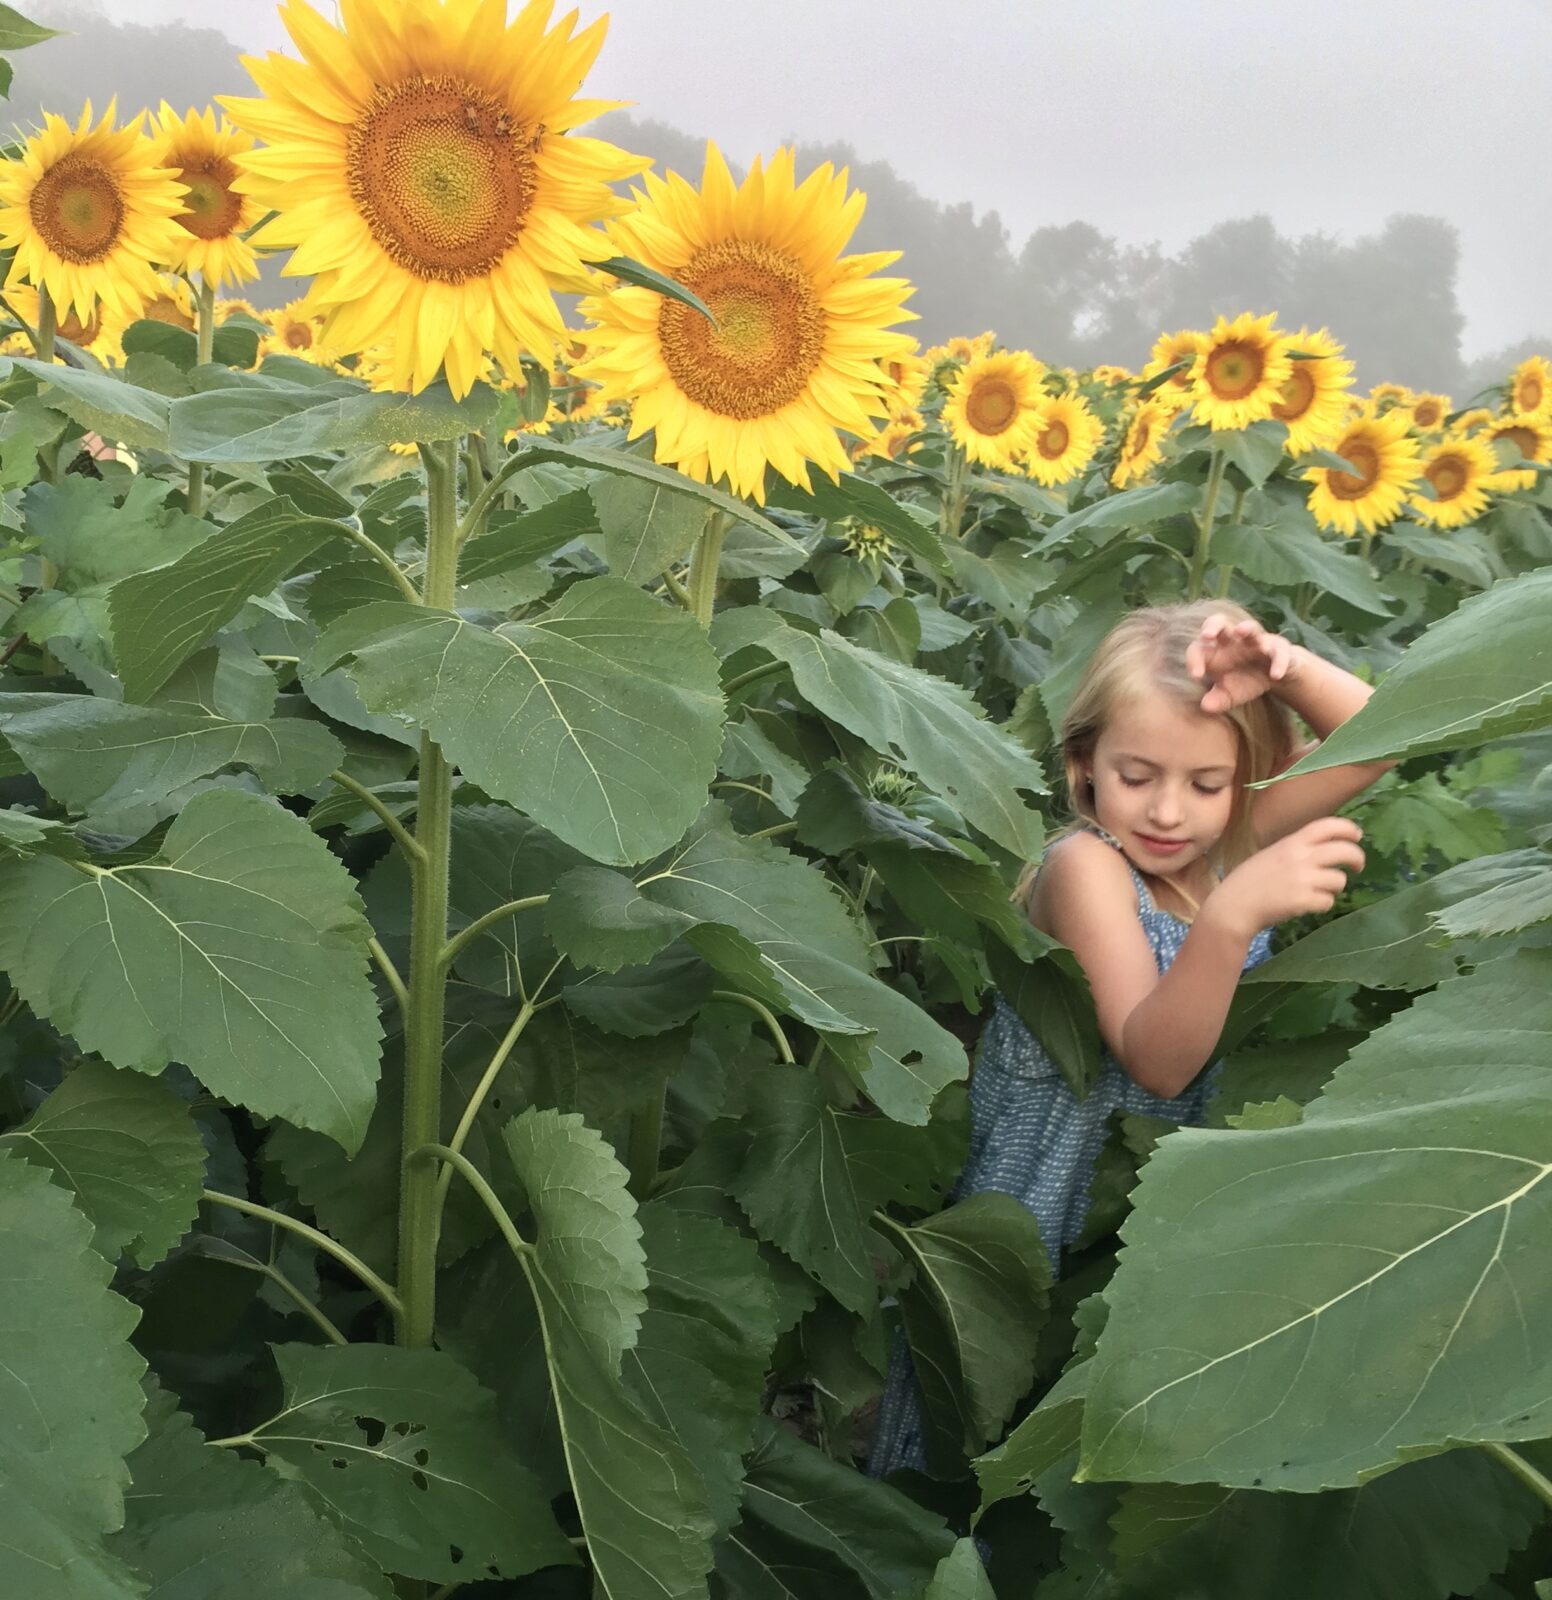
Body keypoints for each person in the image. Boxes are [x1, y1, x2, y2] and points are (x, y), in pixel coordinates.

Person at [867, 598, 1393, 1481]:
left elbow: (1381, 740)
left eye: (1206, 784)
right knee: (1005, 1388)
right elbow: (1156, 1060)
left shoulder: (1225, 843)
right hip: (1049, 1177)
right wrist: (1228, 920)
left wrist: (1287, 667)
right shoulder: (1087, 868)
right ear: (1085, 764)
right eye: (1137, 775)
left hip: (1155, 1167)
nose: (1169, 811)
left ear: (1245, 779)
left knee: (1116, 1386)